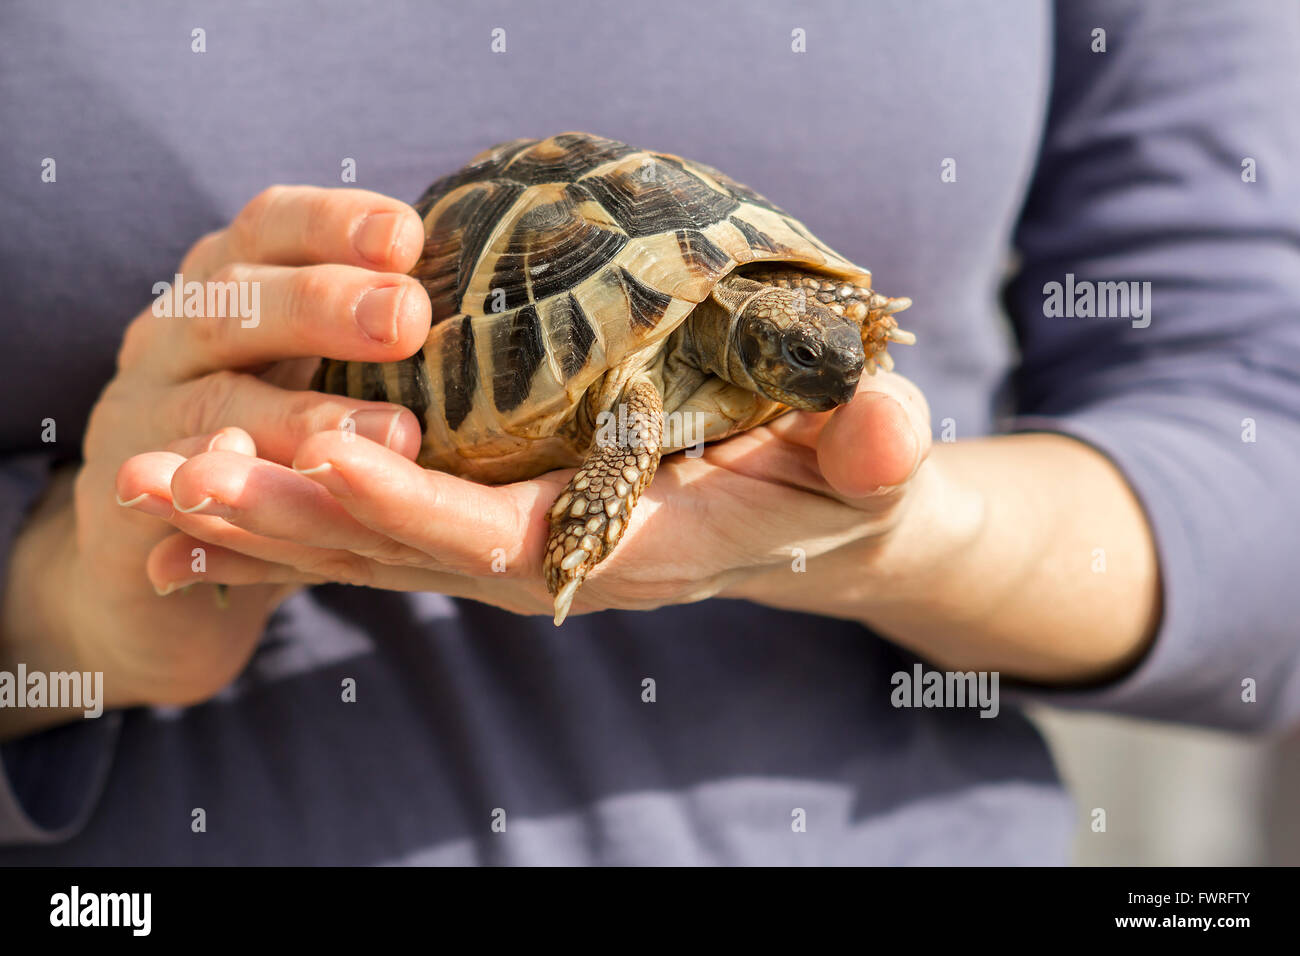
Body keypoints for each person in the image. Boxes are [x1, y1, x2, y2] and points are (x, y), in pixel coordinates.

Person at [1, 0, 1297, 864]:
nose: (823, 374)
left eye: (826, 350)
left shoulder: (797, 328)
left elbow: (1260, 443)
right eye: (798, 356)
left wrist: (911, 538)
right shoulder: (647, 383)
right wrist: (56, 612)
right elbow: (635, 408)